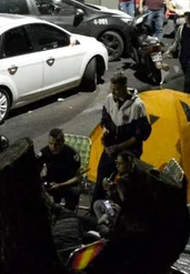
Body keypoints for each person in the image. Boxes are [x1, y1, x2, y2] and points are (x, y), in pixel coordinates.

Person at [93, 73, 151, 202]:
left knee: (125, 185)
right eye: (111, 89)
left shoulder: (137, 106)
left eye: (117, 89)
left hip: (128, 151)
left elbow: (143, 134)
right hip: (111, 147)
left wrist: (119, 147)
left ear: (125, 87)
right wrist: (106, 130)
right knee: (102, 179)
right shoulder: (109, 99)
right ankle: (96, 208)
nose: (113, 93)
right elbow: (105, 119)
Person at [40, 128, 82, 211]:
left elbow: (78, 177)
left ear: (63, 142)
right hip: (49, 185)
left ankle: (69, 213)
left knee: (74, 192)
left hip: (66, 185)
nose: (53, 147)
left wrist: (61, 185)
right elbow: (35, 173)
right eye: (50, 143)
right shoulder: (43, 153)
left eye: (57, 144)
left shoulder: (72, 155)